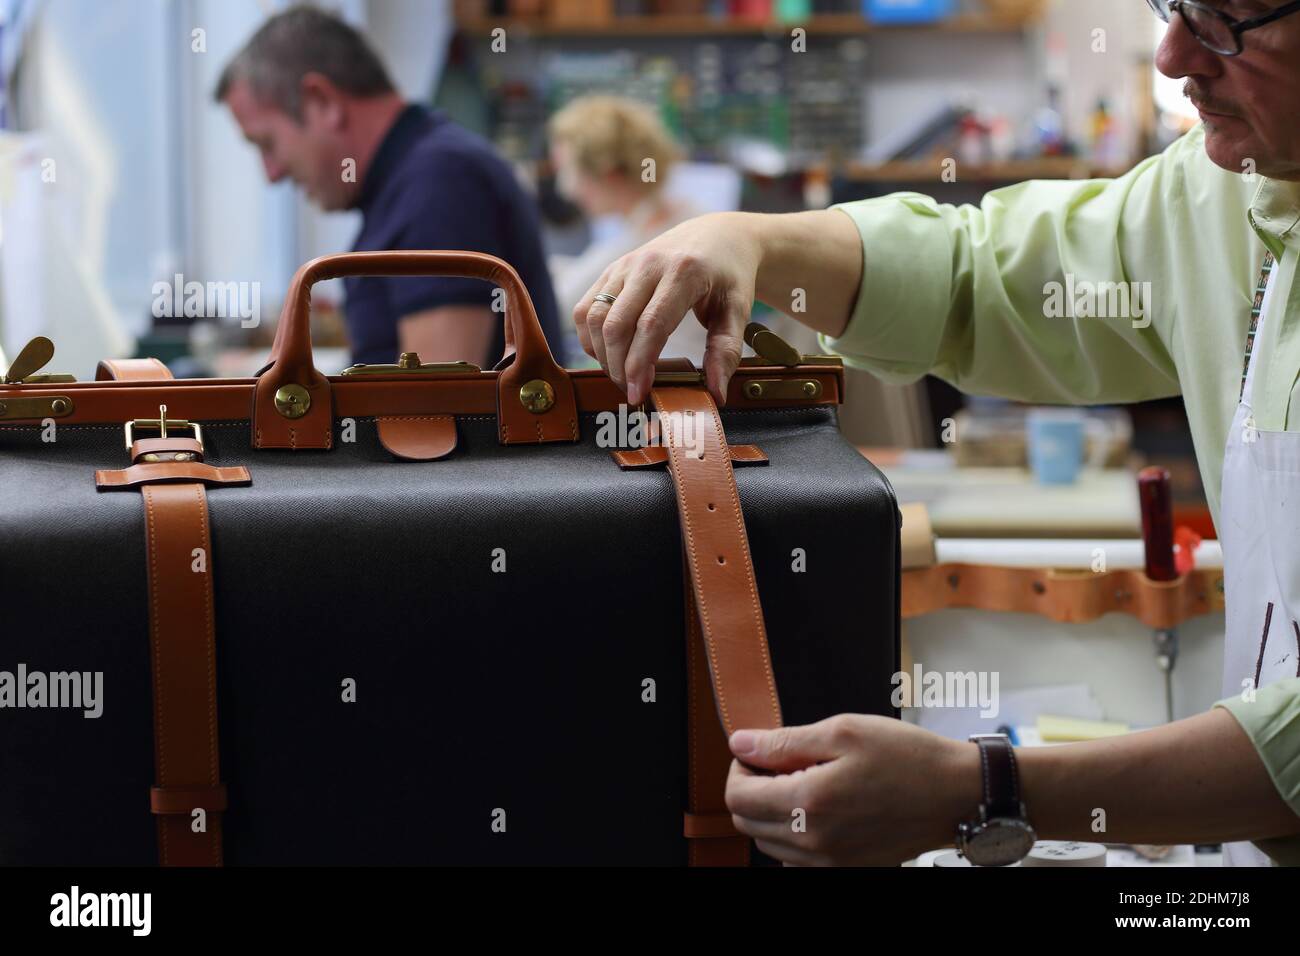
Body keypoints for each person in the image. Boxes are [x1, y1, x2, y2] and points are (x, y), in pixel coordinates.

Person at [575, 0, 1300, 865]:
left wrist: (988, 790)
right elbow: (977, 279)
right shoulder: (1230, 191)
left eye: (1227, 16)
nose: (1174, 54)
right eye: (1171, 4)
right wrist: (752, 242)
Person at [214, 6, 563, 369]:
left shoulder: (439, 182)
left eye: (267, 143)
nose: (272, 174)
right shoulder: (416, 178)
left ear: (322, 101)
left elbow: (434, 412)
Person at [547, 95, 705, 367]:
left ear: (607, 170)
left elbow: (559, 306)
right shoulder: (680, 215)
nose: (566, 189)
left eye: (568, 171)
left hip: (675, 393)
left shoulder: (649, 239)